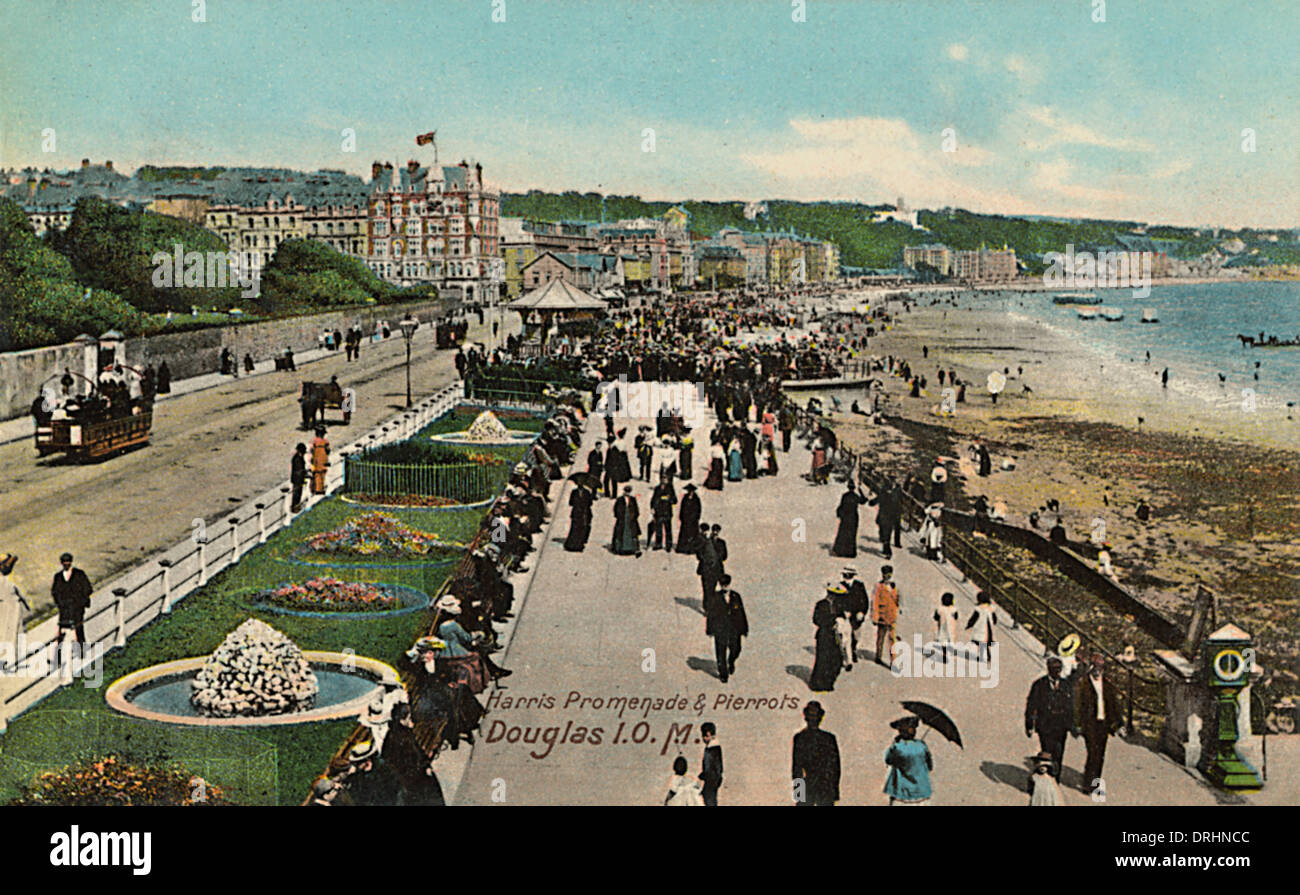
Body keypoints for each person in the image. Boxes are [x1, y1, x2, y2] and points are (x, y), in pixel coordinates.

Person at [1074, 652, 1123, 795]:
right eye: (1095, 667)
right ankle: (1087, 785)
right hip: (1090, 724)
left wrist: (1118, 723)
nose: (1097, 671)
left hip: (1104, 724)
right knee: (1093, 753)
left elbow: (1114, 705)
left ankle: (1095, 784)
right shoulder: (1083, 684)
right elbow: (1077, 705)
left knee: (1100, 755)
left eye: (1100, 668)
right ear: (1090, 667)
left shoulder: (1107, 685)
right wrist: (1077, 724)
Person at [383, 703, 445, 806]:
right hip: (414, 777)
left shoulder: (391, 734)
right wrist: (426, 766)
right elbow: (415, 755)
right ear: (402, 720)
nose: (411, 720)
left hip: (404, 778)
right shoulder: (404, 737)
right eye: (409, 717)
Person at [1025, 656, 1075, 780]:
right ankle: (1046, 778)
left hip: (1061, 725)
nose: (1057, 672)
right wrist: (1029, 724)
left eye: (1059, 669)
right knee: (1047, 752)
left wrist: (1072, 724)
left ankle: (1055, 779)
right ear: (1048, 669)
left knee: (1059, 753)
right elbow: (1031, 705)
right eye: (1054, 669)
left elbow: (1071, 706)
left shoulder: (1066, 685)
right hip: (1045, 725)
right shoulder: (1039, 684)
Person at [791, 701, 840, 806]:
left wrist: (834, 791)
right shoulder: (800, 738)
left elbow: (835, 767)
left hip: (825, 787)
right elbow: (797, 768)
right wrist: (798, 794)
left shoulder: (829, 739)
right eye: (811, 715)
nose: (813, 719)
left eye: (815, 715)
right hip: (809, 786)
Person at [706, 575, 748, 684]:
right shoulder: (715, 597)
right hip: (720, 628)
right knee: (721, 651)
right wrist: (710, 629)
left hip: (734, 628)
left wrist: (744, 628)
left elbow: (741, 613)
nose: (725, 587)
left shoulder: (736, 596)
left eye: (727, 585)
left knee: (736, 648)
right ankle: (723, 673)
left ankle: (731, 661)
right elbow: (711, 614)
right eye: (723, 585)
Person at [883, 716, 933, 805]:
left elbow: (888, 760)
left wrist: (895, 743)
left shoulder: (897, 747)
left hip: (900, 795)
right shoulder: (922, 746)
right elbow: (930, 766)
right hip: (922, 794)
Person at [51, 552, 92, 648]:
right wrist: (60, 603)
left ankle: (82, 649)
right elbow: (55, 592)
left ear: (71, 562)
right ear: (61, 563)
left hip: (77, 607)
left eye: (68, 562)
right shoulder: (58, 577)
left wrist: (80, 601)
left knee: (78, 628)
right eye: (64, 562)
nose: (66, 564)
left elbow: (88, 589)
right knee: (62, 630)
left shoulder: (79, 574)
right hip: (64, 608)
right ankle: (58, 654)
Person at [809, 584, 842, 692]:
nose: (834, 597)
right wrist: (831, 621)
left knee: (836, 660)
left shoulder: (837, 605)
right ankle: (818, 684)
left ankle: (828, 681)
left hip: (834, 636)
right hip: (823, 635)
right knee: (822, 660)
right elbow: (816, 620)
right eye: (833, 595)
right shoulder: (821, 605)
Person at [1, 554, 31, 674]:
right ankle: (12, 662)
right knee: (14, 634)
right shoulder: (11, 579)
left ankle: (9, 661)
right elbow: (23, 596)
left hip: (6, 608)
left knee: (6, 634)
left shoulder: (8, 579)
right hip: (12, 608)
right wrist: (28, 607)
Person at [871, 565, 900, 667]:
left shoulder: (894, 586)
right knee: (880, 638)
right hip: (882, 617)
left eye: (888, 575)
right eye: (885, 575)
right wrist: (875, 616)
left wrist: (898, 609)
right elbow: (875, 601)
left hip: (892, 616)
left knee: (892, 639)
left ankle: (893, 662)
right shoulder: (878, 586)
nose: (887, 577)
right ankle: (878, 656)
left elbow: (898, 599)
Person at [830, 480, 868, 558]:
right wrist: (861, 491)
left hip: (846, 517)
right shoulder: (855, 496)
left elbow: (841, 506)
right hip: (853, 517)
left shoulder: (845, 496)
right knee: (851, 535)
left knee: (842, 534)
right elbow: (863, 501)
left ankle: (840, 551)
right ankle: (850, 552)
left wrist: (839, 514)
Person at [869, 477, 903, 559]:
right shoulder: (894, 495)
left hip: (884, 516)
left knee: (885, 533)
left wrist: (871, 502)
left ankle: (888, 551)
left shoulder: (883, 494)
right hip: (891, 517)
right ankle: (885, 549)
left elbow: (875, 501)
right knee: (887, 533)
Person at [965, 590, 998, 663]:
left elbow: (974, 618)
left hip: (981, 628)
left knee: (981, 642)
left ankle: (984, 656)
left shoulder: (979, 609)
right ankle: (987, 656)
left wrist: (969, 625)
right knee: (984, 643)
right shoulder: (991, 608)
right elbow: (994, 618)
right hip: (988, 628)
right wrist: (994, 622)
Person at [612, 485, 642, 557]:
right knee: (620, 533)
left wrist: (634, 516)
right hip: (622, 519)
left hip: (631, 519)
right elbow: (616, 509)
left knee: (632, 534)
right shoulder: (620, 499)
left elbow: (636, 509)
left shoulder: (632, 499)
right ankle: (620, 549)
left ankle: (632, 548)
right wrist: (619, 516)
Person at [695, 524, 722, 605]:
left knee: (713, 588)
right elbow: (699, 553)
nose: (715, 533)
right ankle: (706, 606)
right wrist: (705, 560)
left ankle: (711, 606)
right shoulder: (705, 541)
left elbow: (724, 556)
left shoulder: (721, 543)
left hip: (716, 568)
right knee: (706, 589)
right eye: (714, 531)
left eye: (717, 531)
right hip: (706, 568)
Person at [564, 481, 594, 552]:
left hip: (584, 513)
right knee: (574, 529)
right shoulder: (574, 492)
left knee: (582, 529)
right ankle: (573, 544)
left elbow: (590, 503)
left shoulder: (587, 492)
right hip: (576, 513)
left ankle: (580, 544)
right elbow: (570, 502)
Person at [699, 722, 723, 806]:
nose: (703, 738)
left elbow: (709, 766)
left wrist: (704, 775)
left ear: (708, 734)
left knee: (709, 800)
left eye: (704, 735)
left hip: (711, 780)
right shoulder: (715, 747)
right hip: (713, 779)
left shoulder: (711, 749)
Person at [648, 479, 676, 551]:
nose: (664, 481)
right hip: (659, 512)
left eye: (665, 480)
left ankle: (668, 545)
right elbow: (653, 499)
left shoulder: (670, 488)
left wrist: (669, 499)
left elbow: (675, 500)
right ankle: (658, 544)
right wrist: (652, 508)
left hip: (667, 512)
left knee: (668, 530)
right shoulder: (657, 489)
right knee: (658, 530)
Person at [932, 592, 959, 663]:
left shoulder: (939, 609)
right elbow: (956, 617)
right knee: (950, 639)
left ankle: (944, 653)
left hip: (943, 627)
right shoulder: (953, 609)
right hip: (951, 627)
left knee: (943, 641)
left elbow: (936, 617)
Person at [675, 484, 702, 554]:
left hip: (693, 521)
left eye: (691, 491)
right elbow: (682, 508)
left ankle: (692, 549)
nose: (690, 492)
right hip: (686, 520)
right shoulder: (685, 498)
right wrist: (681, 517)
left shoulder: (696, 499)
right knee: (684, 534)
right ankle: (683, 548)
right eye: (689, 491)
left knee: (693, 535)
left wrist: (696, 517)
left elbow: (698, 510)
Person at [310, 426, 329, 495]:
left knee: (317, 473)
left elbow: (312, 450)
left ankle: (318, 489)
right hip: (323, 458)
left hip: (316, 458)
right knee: (323, 473)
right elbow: (328, 450)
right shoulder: (325, 441)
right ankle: (321, 488)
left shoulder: (314, 441)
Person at [290, 443, 308, 512]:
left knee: (298, 493)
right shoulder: (297, 459)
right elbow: (298, 470)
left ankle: (296, 506)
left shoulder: (299, 457)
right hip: (297, 479)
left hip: (299, 479)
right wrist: (304, 472)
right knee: (296, 494)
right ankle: (295, 507)